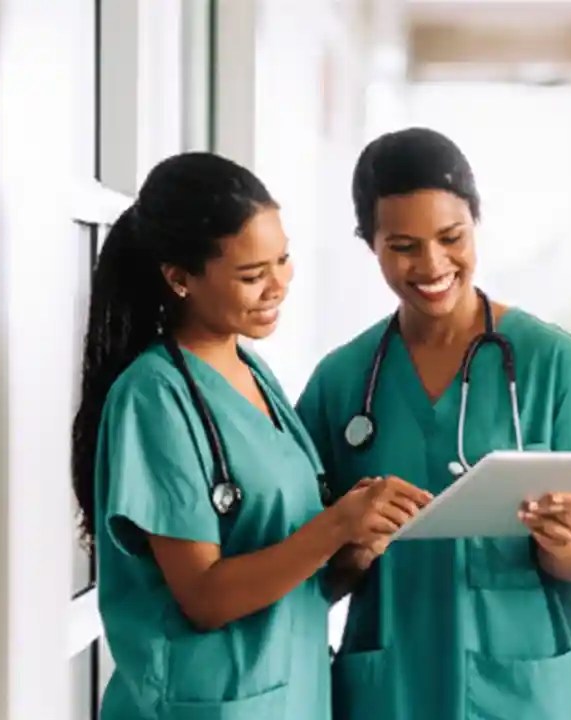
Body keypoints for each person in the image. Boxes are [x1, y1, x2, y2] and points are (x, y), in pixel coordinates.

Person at [70, 152, 431, 720]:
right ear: (179, 278)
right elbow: (206, 599)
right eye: (251, 274)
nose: (277, 285)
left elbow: (290, 584)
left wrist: (353, 548)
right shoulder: (154, 397)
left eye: (282, 260)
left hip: (291, 698)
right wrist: (335, 523)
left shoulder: (251, 372)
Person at [294, 127, 571, 719]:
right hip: (393, 685)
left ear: (477, 221)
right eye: (402, 245)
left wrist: (568, 537)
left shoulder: (548, 361)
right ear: (368, 242)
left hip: (522, 686)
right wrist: (351, 550)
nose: (432, 265)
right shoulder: (342, 381)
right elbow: (309, 572)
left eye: (451, 237)